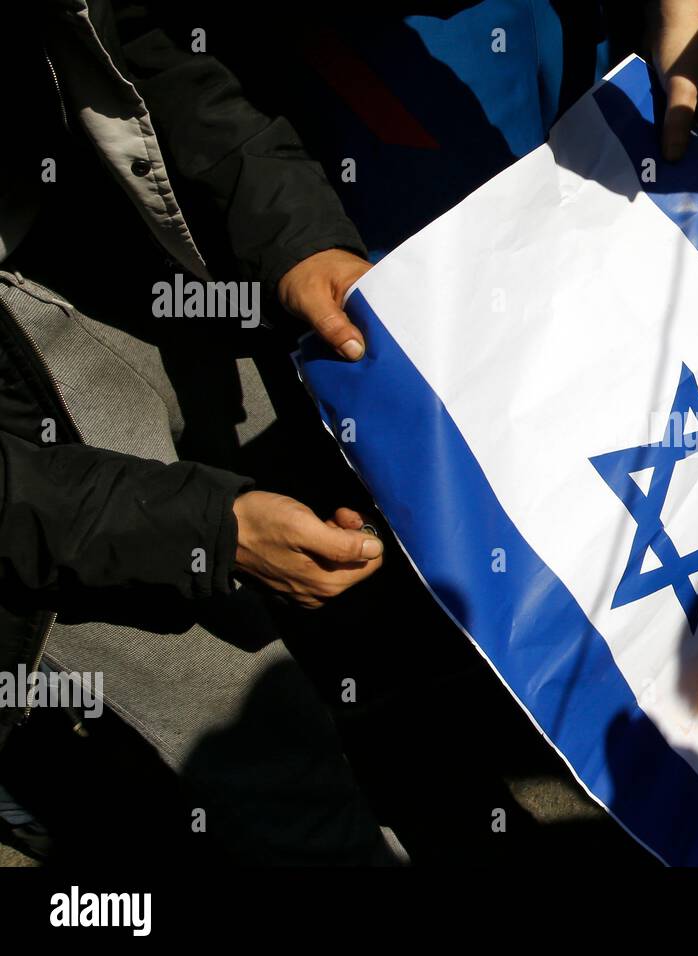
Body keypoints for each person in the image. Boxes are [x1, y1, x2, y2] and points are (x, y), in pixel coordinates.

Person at [0, 0, 406, 863]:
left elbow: (139, 41)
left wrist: (298, 236)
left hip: (84, 224)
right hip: (27, 459)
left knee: (326, 549)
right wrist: (205, 533)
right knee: (259, 739)